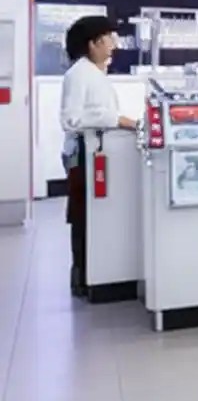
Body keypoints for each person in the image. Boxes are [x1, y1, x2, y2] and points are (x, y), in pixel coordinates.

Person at [60, 15, 135, 296]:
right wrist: (117, 119)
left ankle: (90, 271)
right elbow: (71, 119)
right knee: (81, 214)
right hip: (82, 154)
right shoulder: (79, 74)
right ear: (93, 44)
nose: (113, 46)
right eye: (108, 40)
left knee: (89, 213)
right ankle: (82, 275)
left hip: (94, 150)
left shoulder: (94, 72)